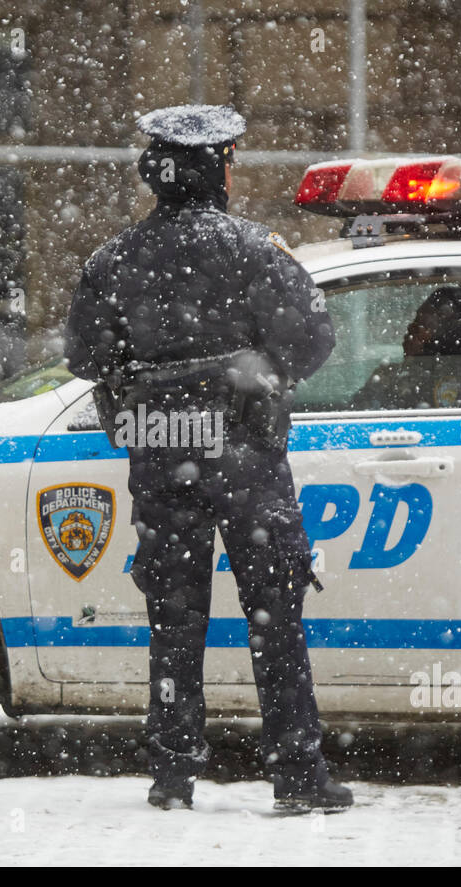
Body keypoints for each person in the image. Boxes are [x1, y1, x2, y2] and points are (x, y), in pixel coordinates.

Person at [63, 104, 351, 813]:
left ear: (154, 174)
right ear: (218, 169)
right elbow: (314, 338)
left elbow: (85, 355)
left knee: (174, 618)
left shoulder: (112, 259)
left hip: (161, 459)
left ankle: (171, 775)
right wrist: (251, 369)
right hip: (246, 458)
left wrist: (157, 375)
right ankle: (296, 773)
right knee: (274, 617)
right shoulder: (256, 250)